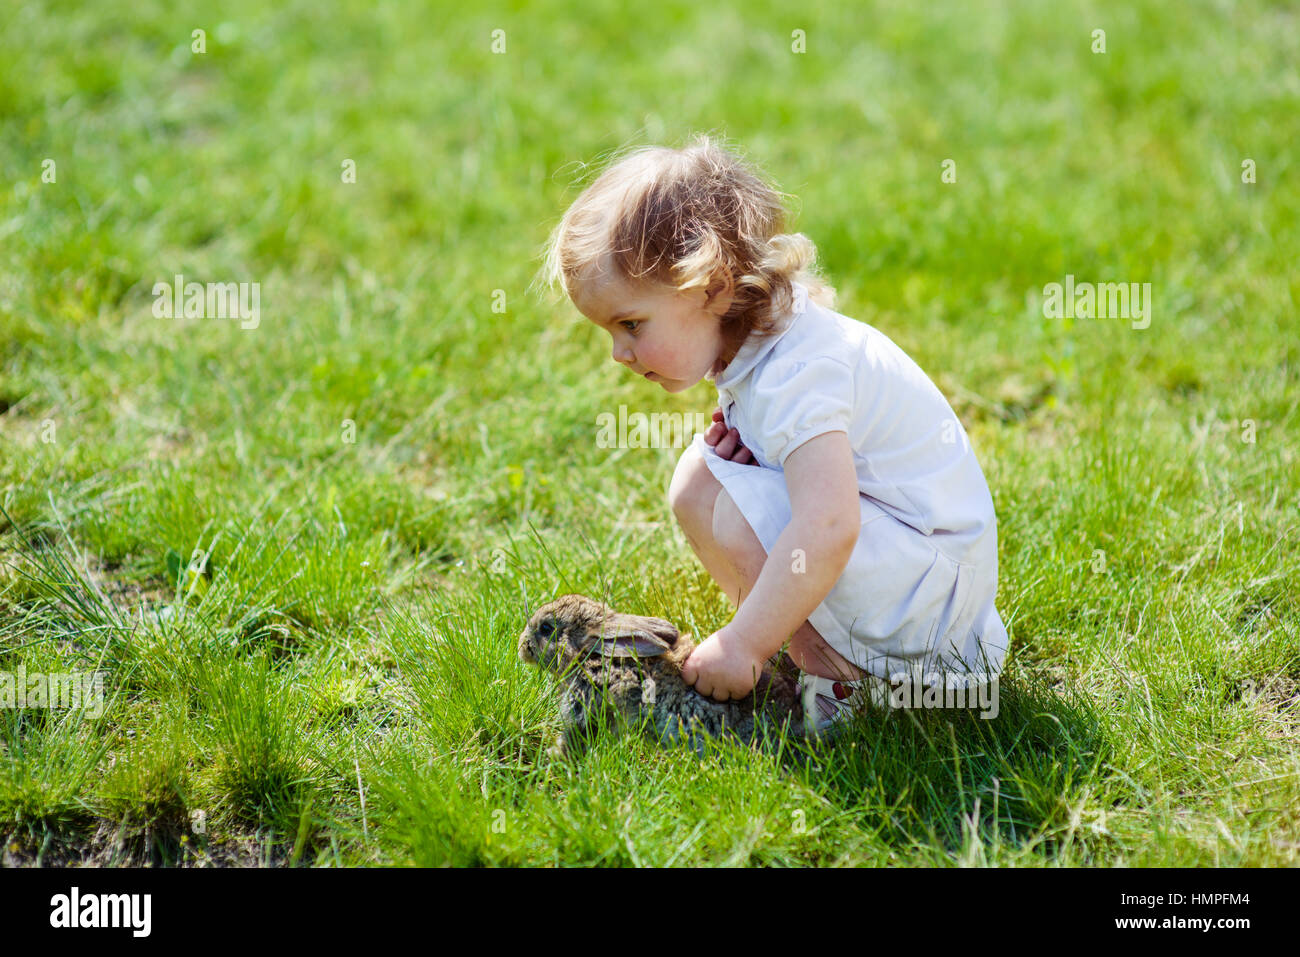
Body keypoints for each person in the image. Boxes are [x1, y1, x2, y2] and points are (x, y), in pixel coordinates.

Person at [538, 134, 1007, 735]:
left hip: (933, 603)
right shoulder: (749, 341)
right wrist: (757, 459)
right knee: (699, 483)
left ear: (711, 289)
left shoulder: (798, 373)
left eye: (631, 324)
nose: (619, 354)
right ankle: (802, 647)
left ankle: (842, 680)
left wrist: (742, 644)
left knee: (736, 512)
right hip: (907, 568)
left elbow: (830, 526)